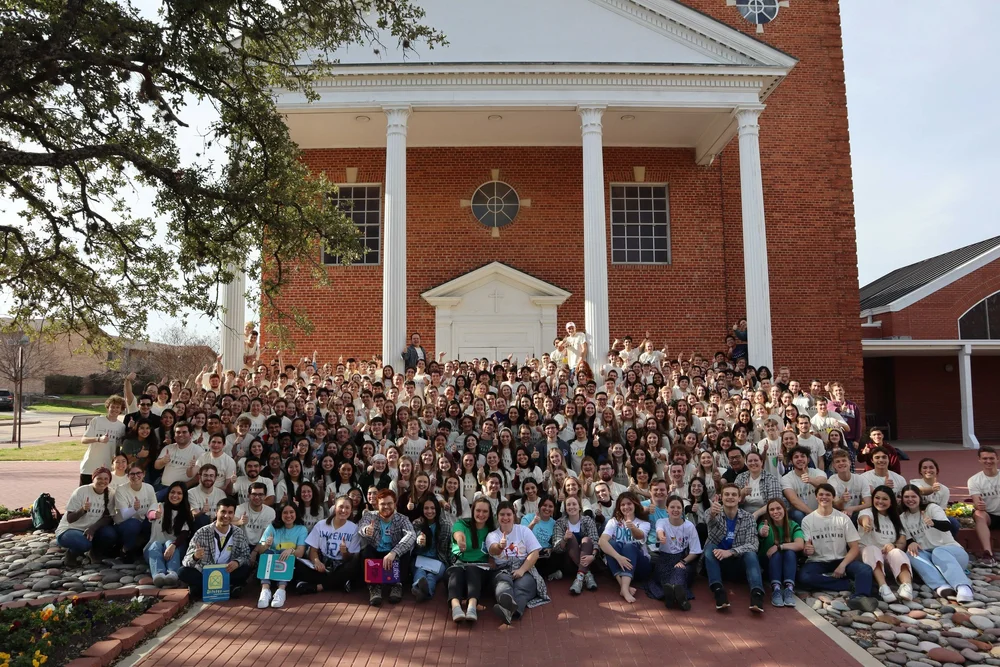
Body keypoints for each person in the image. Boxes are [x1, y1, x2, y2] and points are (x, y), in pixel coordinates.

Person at [798, 483, 878, 612]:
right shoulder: (808, 520)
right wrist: (807, 550)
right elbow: (807, 545)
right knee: (804, 577)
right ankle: (849, 585)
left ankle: (860, 597)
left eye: (828, 495)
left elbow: (854, 547)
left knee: (865, 570)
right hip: (818, 561)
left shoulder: (843, 518)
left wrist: (842, 565)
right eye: (821, 495)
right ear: (816, 497)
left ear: (833, 497)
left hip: (841, 559)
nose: (824, 497)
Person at [899, 484, 975, 602]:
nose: (910, 500)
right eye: (906, 497)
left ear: (919, 497)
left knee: (938, 551)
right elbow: (908, 538)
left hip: (951, 553)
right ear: (902, 499)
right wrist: (911, 543)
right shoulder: (903, 517)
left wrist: (934, 522)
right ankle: (941, 586)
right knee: (911, 554)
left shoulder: (932, 508)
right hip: (929, 557)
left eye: (913, 496)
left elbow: (947, 526)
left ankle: (963, 586)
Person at [485, 501, 549, 625]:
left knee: (521, 587)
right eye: (502, 514)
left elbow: (534, 553)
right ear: (497, 517)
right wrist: (500, 546)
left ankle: (511, 611)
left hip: (524, 568)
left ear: (514, 516)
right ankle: (509, 605)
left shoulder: (524, 530)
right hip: (502, 569)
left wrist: (522, 570)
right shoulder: (492, 535)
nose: (505, 518)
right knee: (503, 584)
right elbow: (492, 549)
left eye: (508, 514)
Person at [703, 483, 764, 613]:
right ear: (721, 497)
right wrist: (713, 514)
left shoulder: (748, 518)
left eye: (733, 494)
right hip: (719, 564)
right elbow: (708, 519)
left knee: (751, 554)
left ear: (739, 499)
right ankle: (719, 591)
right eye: (727, 494)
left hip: (738, 564)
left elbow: (753, 544)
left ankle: (757, 594)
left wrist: (730, 552)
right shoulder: (713, 512)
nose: (730, 497)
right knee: (709, 548)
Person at [179, 497, 252, 601]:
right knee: (182, 572)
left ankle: (201, 589)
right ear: (216, 513)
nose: (226, 516)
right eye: (223, 512)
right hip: (205, 573)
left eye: (230, 512)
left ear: (234, 514)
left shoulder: (238, 533)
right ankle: (229, 588)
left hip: (227, 572)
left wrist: (237, 562)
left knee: (245, 569)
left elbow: (246, 556)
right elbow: (186, 561)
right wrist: (195, 557)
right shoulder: (202, 532)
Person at [357, 489, 416, 606]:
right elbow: (362, 526)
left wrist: (394, 552)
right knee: (366, 551)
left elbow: (411, 534)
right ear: (377, 505)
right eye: (382, 504)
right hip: (376, 553)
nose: (386, 507)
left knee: (405, 551)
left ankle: (397, 584)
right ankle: (374, 586)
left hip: (393, 554)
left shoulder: (402, 519)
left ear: (395, 504)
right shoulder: (370, 516)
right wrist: (366, 530)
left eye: (389, 503)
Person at [857, 486, 914, 602]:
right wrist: (866, 524)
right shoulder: (867, 512)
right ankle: (883, 587)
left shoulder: (897, 518)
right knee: (872, 549)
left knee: (897, 552)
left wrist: (894, 546)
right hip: (868, 557)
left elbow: (902, 542)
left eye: (885, 499)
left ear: (891, 501)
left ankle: (907, 586)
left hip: (887, 558)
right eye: (877, 498)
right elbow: (863, 519)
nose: (880, 502)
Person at [297, 496, 362, 595]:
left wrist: (344, 552)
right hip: (322, 566)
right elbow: (313, 550)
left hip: (341, 566)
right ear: (335, 508)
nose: (343, 510)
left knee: (355, 564)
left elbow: (349, 559)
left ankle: (318, 586)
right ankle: (339, 583)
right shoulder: (321, 524)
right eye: (340, 507)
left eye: (347, 508)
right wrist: (317, 561)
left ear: (351, 510)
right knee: (297, 564)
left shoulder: (354, 529)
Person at [56, 467, 119, 566]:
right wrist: (83, 510)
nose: (102, 481)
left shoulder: (111, 493)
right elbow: (70, 518)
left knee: (110, 534)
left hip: (91, 529)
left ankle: (94, 553)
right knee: (84, 544)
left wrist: (93, 528)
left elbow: (108, 517)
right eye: (99, 478)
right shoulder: (81, 491)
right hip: (71, 529)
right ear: (93, 479)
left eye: (106, 479)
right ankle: (71, 554)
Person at [448, 497, 495, 623]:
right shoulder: (462, 523)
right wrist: (460, 540)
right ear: (473, 511)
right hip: (461, 568)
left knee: (472, 569)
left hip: (480, 572)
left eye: (485, 511)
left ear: (489, 513)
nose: (481, 514)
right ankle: (456, 607)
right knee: (455, 571)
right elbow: (458, 533)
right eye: (478, 510)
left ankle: (471, 607)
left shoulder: (492, 529)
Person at [598, 491, 651, 604]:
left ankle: (624, 587)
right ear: (618, 507)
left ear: (635, 505)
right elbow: (602, 541)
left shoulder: (644, 523)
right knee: (611, 544)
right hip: (619, 564)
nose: (626, 507)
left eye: (629, 504)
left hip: (640, 567)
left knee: (629, 546)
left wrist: (632, 527)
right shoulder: (613, 522)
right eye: (622, 504)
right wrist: (618, 557)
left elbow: (640, 536)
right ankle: (624, 587)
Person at [652, 495, 702, 611]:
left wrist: (683, 561)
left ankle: (673, 595)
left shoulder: (689, 526)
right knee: (664, 572)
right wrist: (661, 536)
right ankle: (679, 597)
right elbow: (660, 530)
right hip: (665, 558)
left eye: (679, 508)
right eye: (672, 507)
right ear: (667, 509)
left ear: (682, 510)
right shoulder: (662, 522)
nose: (675, 510)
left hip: (683, 557)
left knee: (679, 571)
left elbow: (695, 551)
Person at [255, 503, 308, 609]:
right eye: (285, 513)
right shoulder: (272, 527)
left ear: (296, 513)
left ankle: (281, 591)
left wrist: (290, 551)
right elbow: (260, 551)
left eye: (291, 512)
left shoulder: (301, 529)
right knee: (268, 553)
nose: (288, 515)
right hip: (272, 563)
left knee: (283, 552)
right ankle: (265, 590)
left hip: (290, 565)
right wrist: (266, 545)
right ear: (280, 514)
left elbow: (300, 552)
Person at [143, 482, 193, 587]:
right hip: (154, 551)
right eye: (172, 492)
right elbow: (150, 514)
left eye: (179, 493)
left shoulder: (185, 512)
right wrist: (155, 515)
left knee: (169, 542)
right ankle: (158, 574)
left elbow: (184, 533)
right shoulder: (159, 506)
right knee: (155, 545)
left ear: (184, 496)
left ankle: (172, 574)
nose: (175, 495)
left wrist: (173, 545)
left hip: (174, 550)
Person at [757, 498, 804, 607]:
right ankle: (776, 589)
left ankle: (789, 589)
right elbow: (761, 532)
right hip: (769, 565)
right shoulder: (765, 525)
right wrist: (762, 533)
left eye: (778, 508)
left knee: (789, 552)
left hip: (787, 565)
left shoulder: (793, 525)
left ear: (784, 509)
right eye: (772, 510)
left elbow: (800, 544)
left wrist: (779, 546)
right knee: (777, 554)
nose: (775, 512)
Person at [551, 495, 599, 595]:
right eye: (568, 505)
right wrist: (564, 539)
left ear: (580, 507)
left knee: (586, 540)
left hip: (588, 560)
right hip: (568, 561)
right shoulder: (560, 523)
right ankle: (587, 575)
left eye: (574, 504)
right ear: (565, 508)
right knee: (571, 537)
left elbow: (595, 540)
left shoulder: (587, 520)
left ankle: (579, 578)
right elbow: (556, 548)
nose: (571, 507)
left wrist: (593, 556)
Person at [111, 463, 157, 562]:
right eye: (132, 474)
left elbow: (154, 504)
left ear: (144, 474)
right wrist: (134, 509)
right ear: (128, 476)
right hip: (124, 523)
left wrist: (152, 514)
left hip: (143, 520)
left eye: (138, 473)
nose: (135, 476)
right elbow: (124, 515)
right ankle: (126, 549)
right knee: (133, 524)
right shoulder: (121, 490)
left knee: (154, 522)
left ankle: (147, 550)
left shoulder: (149, 488)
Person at [411, 495, 452, 602]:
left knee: (431, 576)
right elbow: (414, 540)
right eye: (426, 508)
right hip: (420, 558)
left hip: (438, 560)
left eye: (432, 508)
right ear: (422, 509)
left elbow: (448, 548)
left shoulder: (445, 525)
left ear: (437, 509)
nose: (430, 511)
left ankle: (418, 589)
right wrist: (419, 540)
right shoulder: (417, 524)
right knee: (420, 572)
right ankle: (426, 591)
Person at [79, 396, 127, 486]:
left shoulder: (121, 427)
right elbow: (83, 440)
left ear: (121, 410)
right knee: (84, 495)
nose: (114, 409)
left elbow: (119, 447)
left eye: (118, 407)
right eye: (112, 406)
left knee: (102, 496)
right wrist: (98, 439)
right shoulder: (97, 421)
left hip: (107, 468)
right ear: (108, 407)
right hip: (90, 466)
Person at [969, 446, 1000, 565]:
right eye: (985, 458)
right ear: (980, 460)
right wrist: (979, 505)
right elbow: (977, 502)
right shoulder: (974, 480)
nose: (988, 461)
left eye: (991, 458)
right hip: (990, 516)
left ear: (997, 459)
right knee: (978, 514)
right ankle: (988, 553)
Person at [781, 446, 827, 524]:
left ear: (808, 460)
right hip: (800, 513)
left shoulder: (818, 472)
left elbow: (825, 485)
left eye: (803, 456)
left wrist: (811, 480)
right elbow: (793, 500)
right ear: (791, 461)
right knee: (797, 514)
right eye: (796, 457)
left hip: (820, 510)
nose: (800, 459)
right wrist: (813, 514)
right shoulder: (786, 478)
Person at [733, 451, 783, 520]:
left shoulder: (771, 478)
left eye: (756, 460)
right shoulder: (741, 477)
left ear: (761, 462)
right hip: (742, 513)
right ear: (746, 463)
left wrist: (756, 514)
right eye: (750, 461)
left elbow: (775, 502)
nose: (753, 463)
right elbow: (733, 499)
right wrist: (743, 492)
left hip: (765, 513)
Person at [827, 449, 871, 522]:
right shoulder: (831, 481)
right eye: (837, 461)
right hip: (838, 514)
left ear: (850, 463)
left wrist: (852, 508)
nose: (841, 463)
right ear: (834, 465)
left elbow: (868, 503)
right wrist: (842, 500)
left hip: (857, 513)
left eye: (844, 460)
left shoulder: (861, 479)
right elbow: (836, 505)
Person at [235, 482, 277, 551]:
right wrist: (239, 522)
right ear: (248, 495)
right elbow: (230, 524)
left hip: (261, 545)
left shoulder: (270, 512)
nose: (257, 497)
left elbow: (265, 535)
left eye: (260, 494)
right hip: (242, 545)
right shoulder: (240, 508)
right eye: (254, 494)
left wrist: (255, 551)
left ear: (265, 496)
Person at [188, 464, 228, 529]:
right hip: (198, 527)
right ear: (200, 477)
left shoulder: (221, 493)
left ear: (215, 477)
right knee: (202, 518)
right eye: (205, 475)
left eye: (211, 476)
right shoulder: (191, 493)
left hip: (216, 525)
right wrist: (202, 512)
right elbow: (195, 515)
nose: (208, 478)